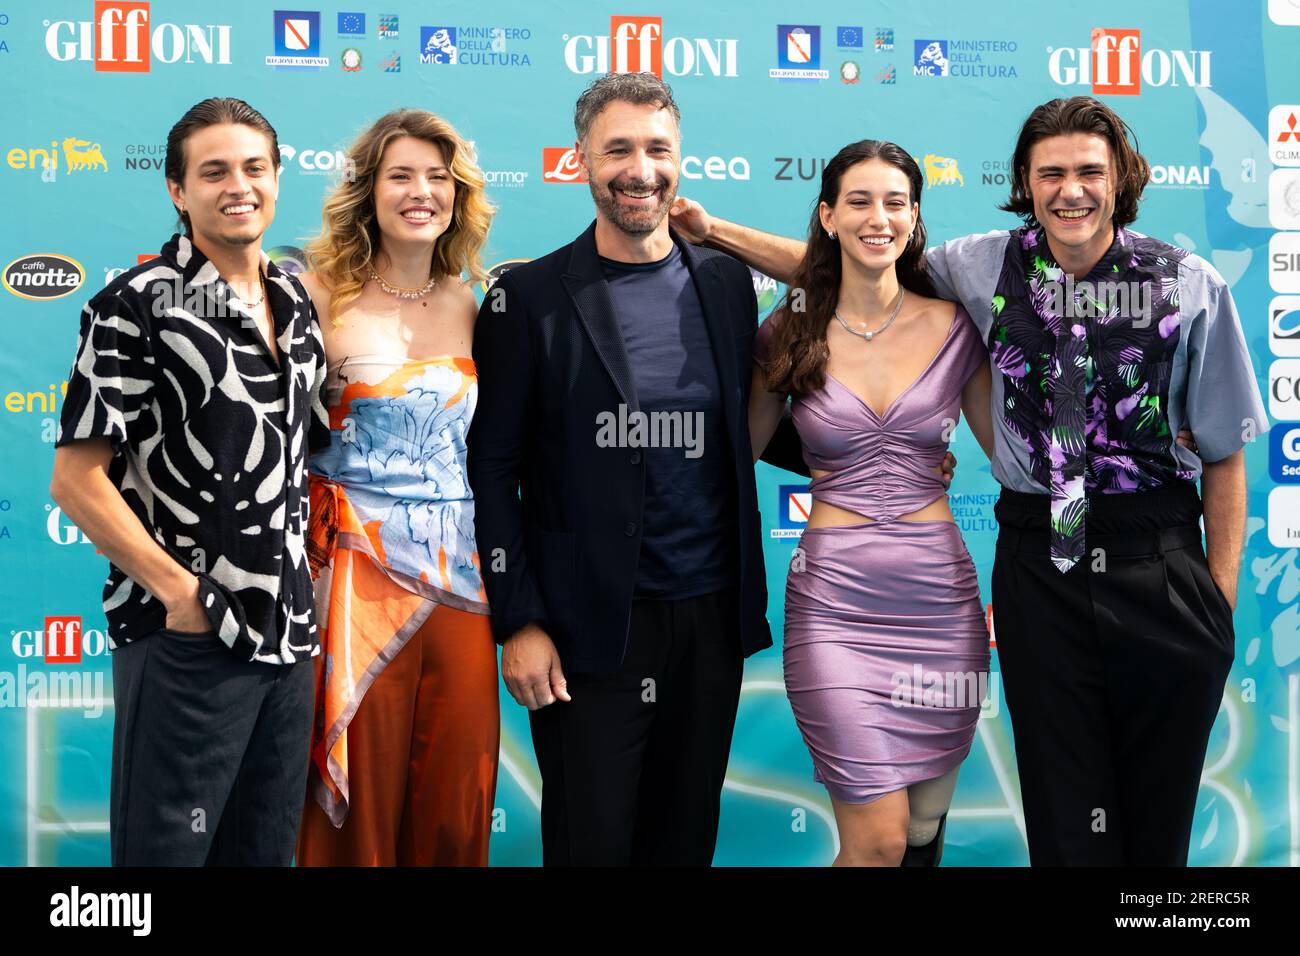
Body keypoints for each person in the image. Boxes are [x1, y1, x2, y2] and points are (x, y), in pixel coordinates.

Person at [671, 96, 1267, 866]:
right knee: (1062, 814)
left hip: (1157, 555)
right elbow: (855, 268)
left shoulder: (1189, 284)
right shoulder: (980, 265)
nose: (1070, 190)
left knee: (1156, 829)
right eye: (1050, 173)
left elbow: (1224, 454)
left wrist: (1214, 606)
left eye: (1090, 171)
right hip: (1037, 559)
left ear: (1121, 179)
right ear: (1025, 180)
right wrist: (711, 230)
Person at [466, 72, 814, 865]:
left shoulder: (724, 280)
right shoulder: (526, 296)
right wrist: (518, 621)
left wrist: (859, 458)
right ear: (580, 159)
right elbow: (492, 468)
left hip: (709, 615)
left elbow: (736, 421)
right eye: (617, 149)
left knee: (682, 840)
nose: (640, 169)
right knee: (590, 845)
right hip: (588, 627)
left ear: (680, 157)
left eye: (658, 149)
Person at [49, 97, 328, 866]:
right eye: (213, 172)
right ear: (178, 190)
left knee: (261, 854)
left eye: (254, 168)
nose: (238, 185)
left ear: (276, 178)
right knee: (165, 858)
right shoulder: (135, 307)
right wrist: (183, 596)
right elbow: (76, 480)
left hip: (289, 639)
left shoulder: (297, 302)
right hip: (189, 641)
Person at [747, 140, 995, 867]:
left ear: (915, 219)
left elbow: (1022, 459)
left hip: (939, 604)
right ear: (826, 217)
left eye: (895, 202)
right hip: (834, 606)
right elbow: (730, 457)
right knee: (879, 842)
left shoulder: (957, 328)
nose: (877, 217)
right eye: (858, 201)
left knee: (920, 834)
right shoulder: (786, 328)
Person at [293, 109, 500, 866]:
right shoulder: (316, 298)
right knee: (360, 807)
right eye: (401, 175)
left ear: (459, 194)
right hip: (353, 579)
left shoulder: (472, 304)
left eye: (438, 178)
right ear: (368, 191)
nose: (422, 192)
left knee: (458, 791)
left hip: (462, 583)